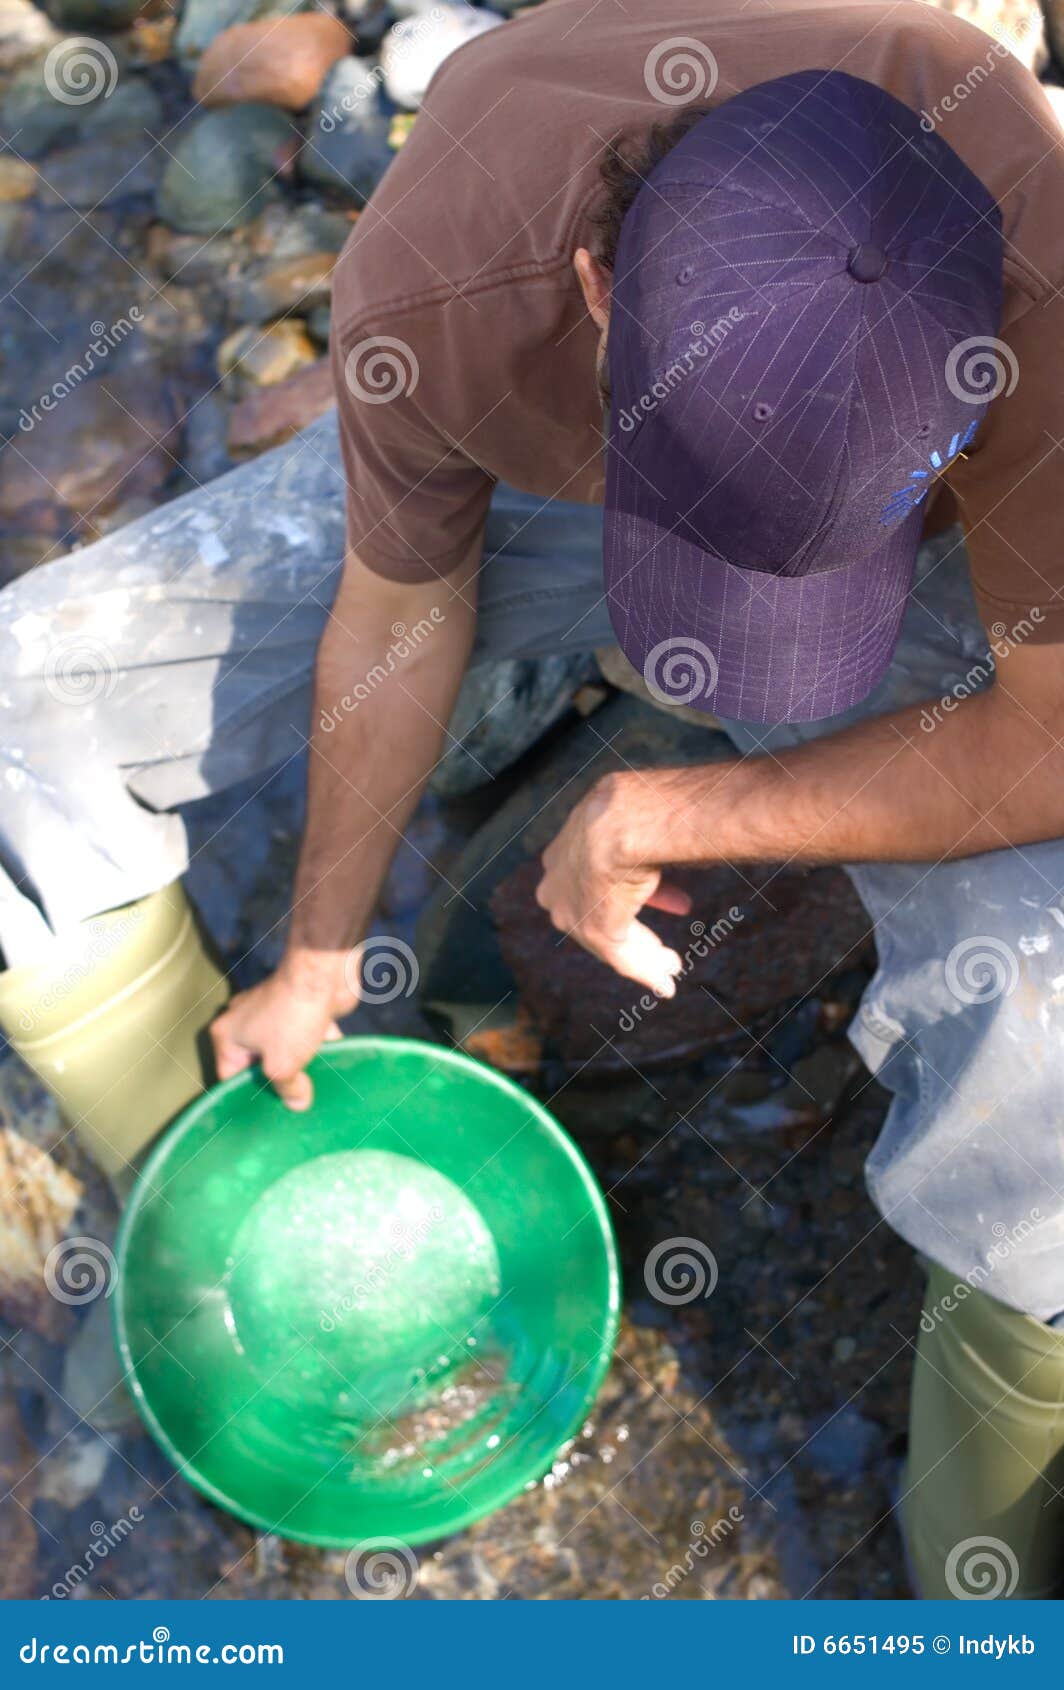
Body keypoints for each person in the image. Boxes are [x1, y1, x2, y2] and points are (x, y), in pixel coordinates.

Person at [3, 0, 1064, 1598]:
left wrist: (664, 814)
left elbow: (1046, 731)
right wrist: (316, 952)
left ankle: (978, 1582)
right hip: (566, 448)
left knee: (1046, 1130)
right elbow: (401, 600)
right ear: (595, 282)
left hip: (953, 562)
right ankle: (219, 1217)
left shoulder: (1037, 282)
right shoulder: (460, 264)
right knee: (31, 707)